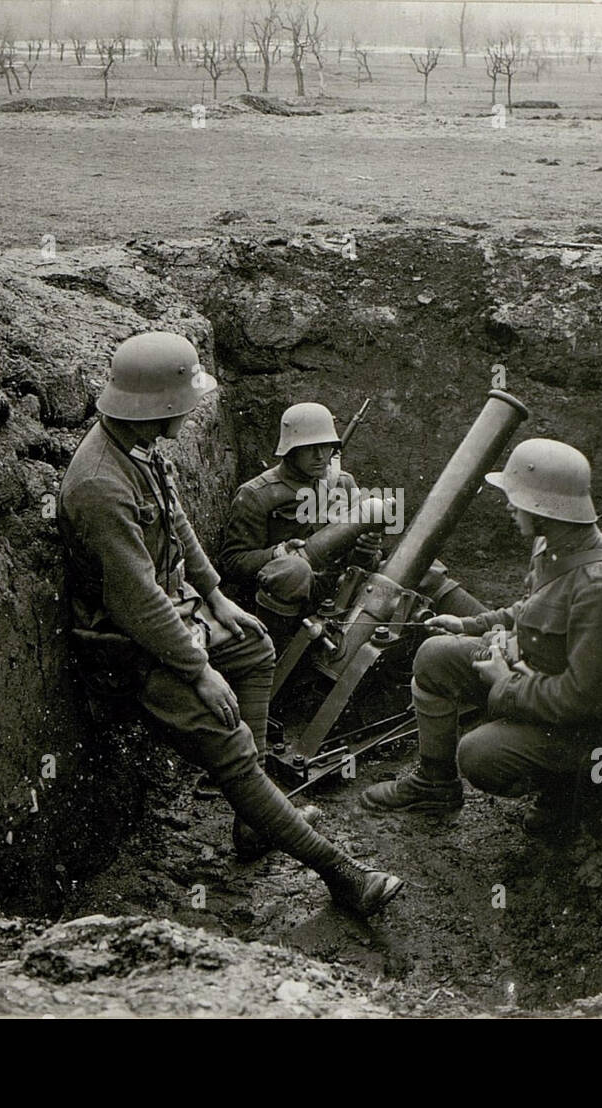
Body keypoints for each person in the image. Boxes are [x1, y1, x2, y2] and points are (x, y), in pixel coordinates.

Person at [59, 332, 402, 916]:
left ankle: (254, 821)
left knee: (254, 646)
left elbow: (179, 525)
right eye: (186, 399)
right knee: (233, 743)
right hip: (129, 645)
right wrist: (198, 671)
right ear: (161, 403)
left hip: (175, 612)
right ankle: (344, 877)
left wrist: (217, 597)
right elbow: (136, 600)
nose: (194, 410)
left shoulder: (138, 446)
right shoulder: (100, 484)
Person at [359, 438, 602, 839]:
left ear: (546, 507)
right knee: (435, 655)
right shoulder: (552, 544)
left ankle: (568, 792)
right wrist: (470, 625)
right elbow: (529, 609)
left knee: (478, 755)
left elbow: (585, 700)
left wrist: (504, 684)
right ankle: (433, 785)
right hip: (531, 676)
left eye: (517, 498)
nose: (509, 506)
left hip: (581, 731)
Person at [220, 402, 484, 648]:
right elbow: (232, 564)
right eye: (310, 447)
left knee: (419, 566)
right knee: (293, 570)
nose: (320, 455)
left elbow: (363, 560)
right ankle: (275, 654)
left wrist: (367, 550)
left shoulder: (342, 483)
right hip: (289, 599)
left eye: (326, 446)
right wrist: (278, 553)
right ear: (290, 448)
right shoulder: (256, 494)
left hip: (340, 589)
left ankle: (494, 627)